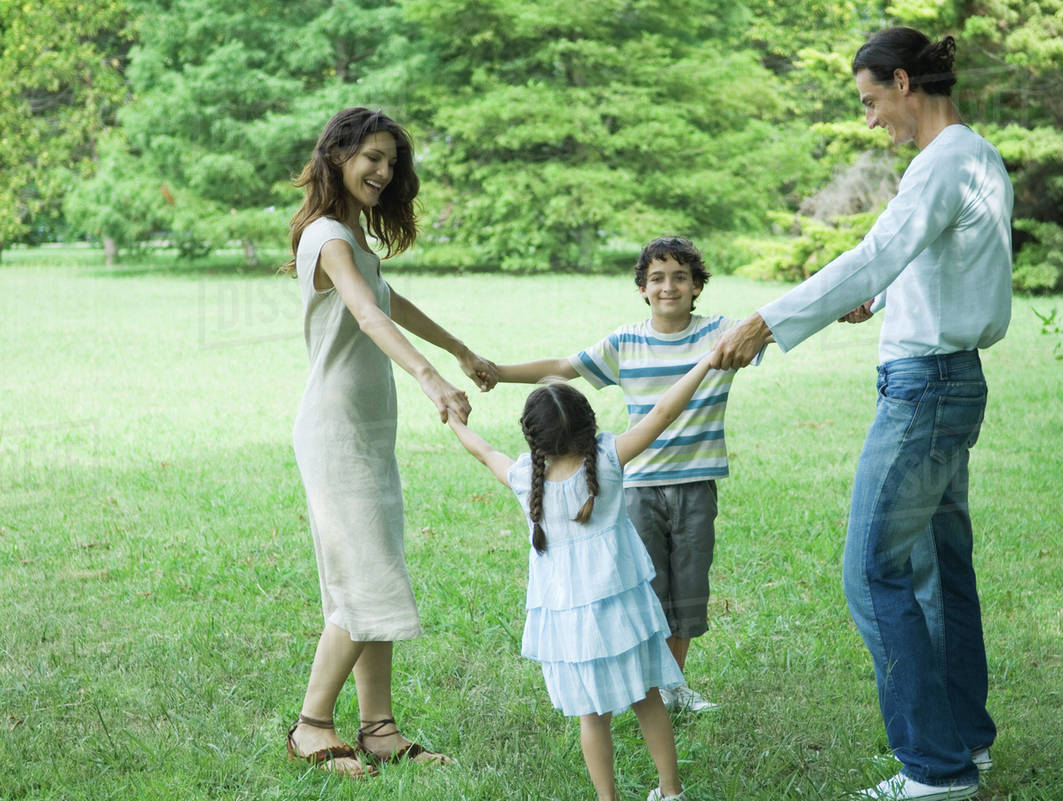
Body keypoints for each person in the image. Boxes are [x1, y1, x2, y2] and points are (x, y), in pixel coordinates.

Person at [711, 27, 1011, 801]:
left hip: (926, 392)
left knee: (873, 570)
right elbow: (945, 265)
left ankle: (934, 769)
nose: (869, 118)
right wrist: (877, 300)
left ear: (904, 82)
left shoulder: (939, 164)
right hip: (953, 384)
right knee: (942, 569)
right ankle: (965, 746)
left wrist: (766, 320)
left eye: (871, 100)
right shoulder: (976, 155)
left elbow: (877, 250)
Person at [282, 107, 498, 778]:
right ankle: (312, 727)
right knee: (364, 579)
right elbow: (368, 312)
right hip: (335, 434)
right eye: (372, 156)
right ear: (338, 156)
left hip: (366, 436)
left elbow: (390, 298)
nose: (383, 170)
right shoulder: (326, 237)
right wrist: (432, 379)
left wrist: (460, 349)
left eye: (391, 162)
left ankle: (379, 728)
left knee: (373, 576)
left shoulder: (351, 238)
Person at [492, 236, 763, 713]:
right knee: (647, 592)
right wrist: (495, 371)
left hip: (696, 485)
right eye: (657, 278)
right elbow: (562, 367)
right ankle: (648, 689)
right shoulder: (625, 342)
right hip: (636, 489)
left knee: (688, 592)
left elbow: (774, 326)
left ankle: (673, 687)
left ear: (698, 285)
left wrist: (846, 304)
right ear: (642, 287)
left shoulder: (722, 333)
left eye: (681, 276)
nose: (669, 286)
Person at [446, 355, 718, 801]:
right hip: (625, 617)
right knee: (648, 699)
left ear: (533, 439)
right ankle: (671, 793)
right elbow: (664, 412)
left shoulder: (523, 478)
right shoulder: (608, 459)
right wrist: (705, 362)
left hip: (571, 628)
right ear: (588, 426)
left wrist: (454, 420)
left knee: (592, 717)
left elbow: (482, 451)